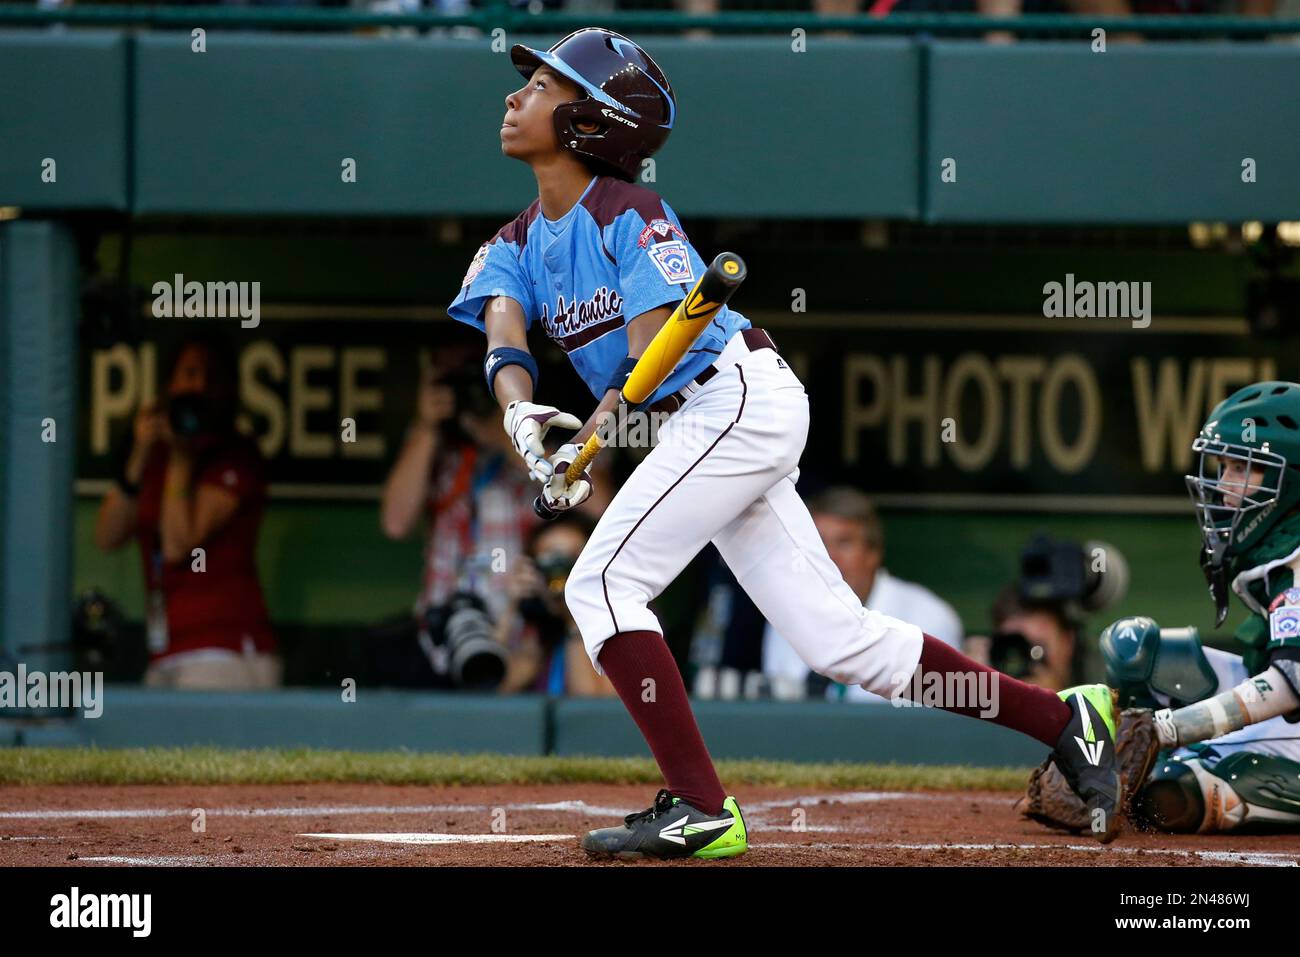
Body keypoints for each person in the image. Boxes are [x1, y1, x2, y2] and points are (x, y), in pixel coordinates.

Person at [448, 27, 1125, 859]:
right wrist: (521, 412)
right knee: (842, 642)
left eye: (543, 87)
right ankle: (1067, 719)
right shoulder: (515, 238)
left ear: (591, 119)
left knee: (602, 581)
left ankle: (698, 804)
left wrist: (596, 430)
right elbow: (503, 332)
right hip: (699, 425)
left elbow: (651, 345)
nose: (516, 97)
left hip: (733, 398)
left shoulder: (632, 212)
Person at [1025, 382, 1300, 834]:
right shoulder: (1281, 542)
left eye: (1242, 469)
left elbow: (1290, 684)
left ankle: (1199, 773)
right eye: (1224, 465)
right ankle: (1178, 766)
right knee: (1136, 652)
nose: (1225, 485)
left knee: (1169, 796)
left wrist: (1168, 730)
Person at [94, 337, 280, 689]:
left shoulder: (236, 453)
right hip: (165, 648)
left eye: (212, 377)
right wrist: (140, 453)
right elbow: (107, 535)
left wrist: (182, 457)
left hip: (225, 651)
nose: (200, 386)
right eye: (190, 374)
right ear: (169, 385)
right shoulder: (154, 455)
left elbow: (179, 543)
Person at [763, 487, 963, 701]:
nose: (829, 557)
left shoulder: (929, 618)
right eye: (818, 544)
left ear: (873, 553)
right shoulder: (785, 614)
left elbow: (934, 725)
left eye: (844, 543)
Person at [498, 513, 616, 696]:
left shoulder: (621, 620)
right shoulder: (540, 632)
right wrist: (512, 607)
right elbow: (493, 689)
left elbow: (590, 704)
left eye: (572, 559)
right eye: (549, 559)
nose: (559, 570)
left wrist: (574, 616)